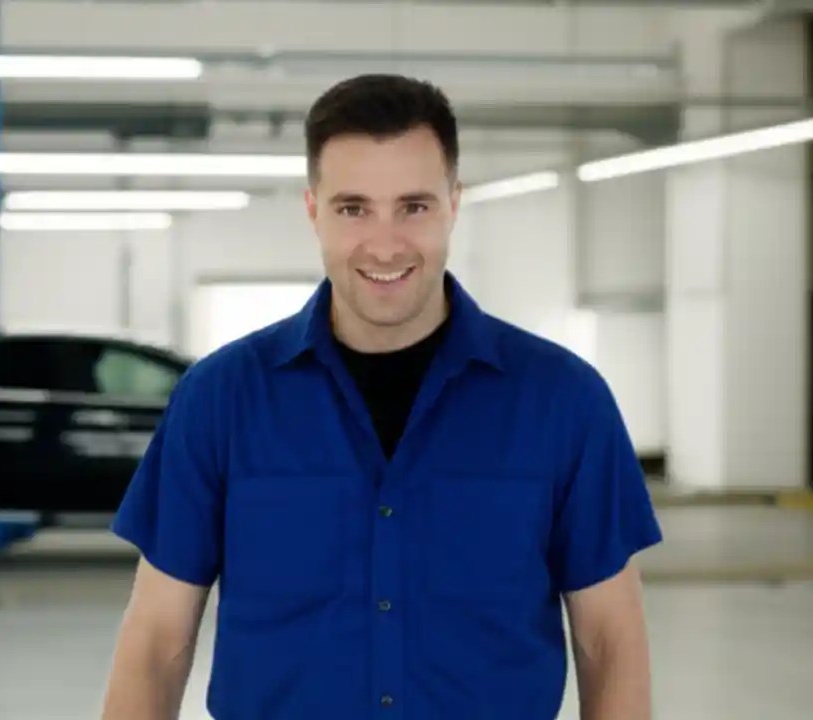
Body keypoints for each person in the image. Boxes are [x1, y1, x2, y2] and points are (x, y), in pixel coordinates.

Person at [100, 73, 663, 720]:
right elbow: (156, 642)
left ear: (454, 203)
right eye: (354, 208)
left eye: (413, 207)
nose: (386, 243)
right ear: (313, 210)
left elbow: (609, 641)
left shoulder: (563, 402)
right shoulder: (220, 399)